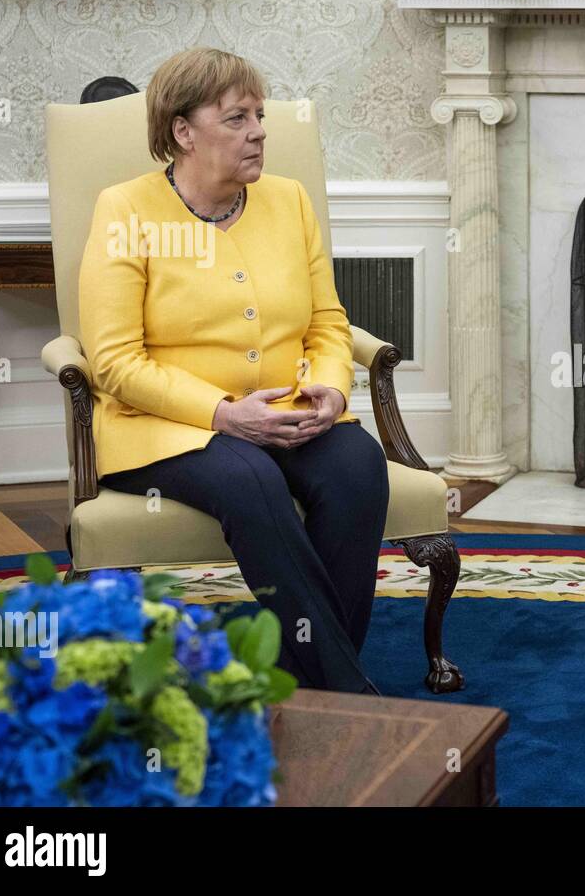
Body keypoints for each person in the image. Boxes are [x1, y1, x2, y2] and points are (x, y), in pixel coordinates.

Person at [79, 46, 389, 694]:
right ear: (183, 131)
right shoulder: (125, 210)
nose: (258, 131)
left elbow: (327, 323)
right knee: (248, 477)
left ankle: (308, 686)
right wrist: (222, 414)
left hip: (285, 408)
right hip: (168, 426)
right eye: (237, 118)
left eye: (259, 115)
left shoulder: (288, 201)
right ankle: (351, 697)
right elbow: (111, 360)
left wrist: (331, 389)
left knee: (357, 465)